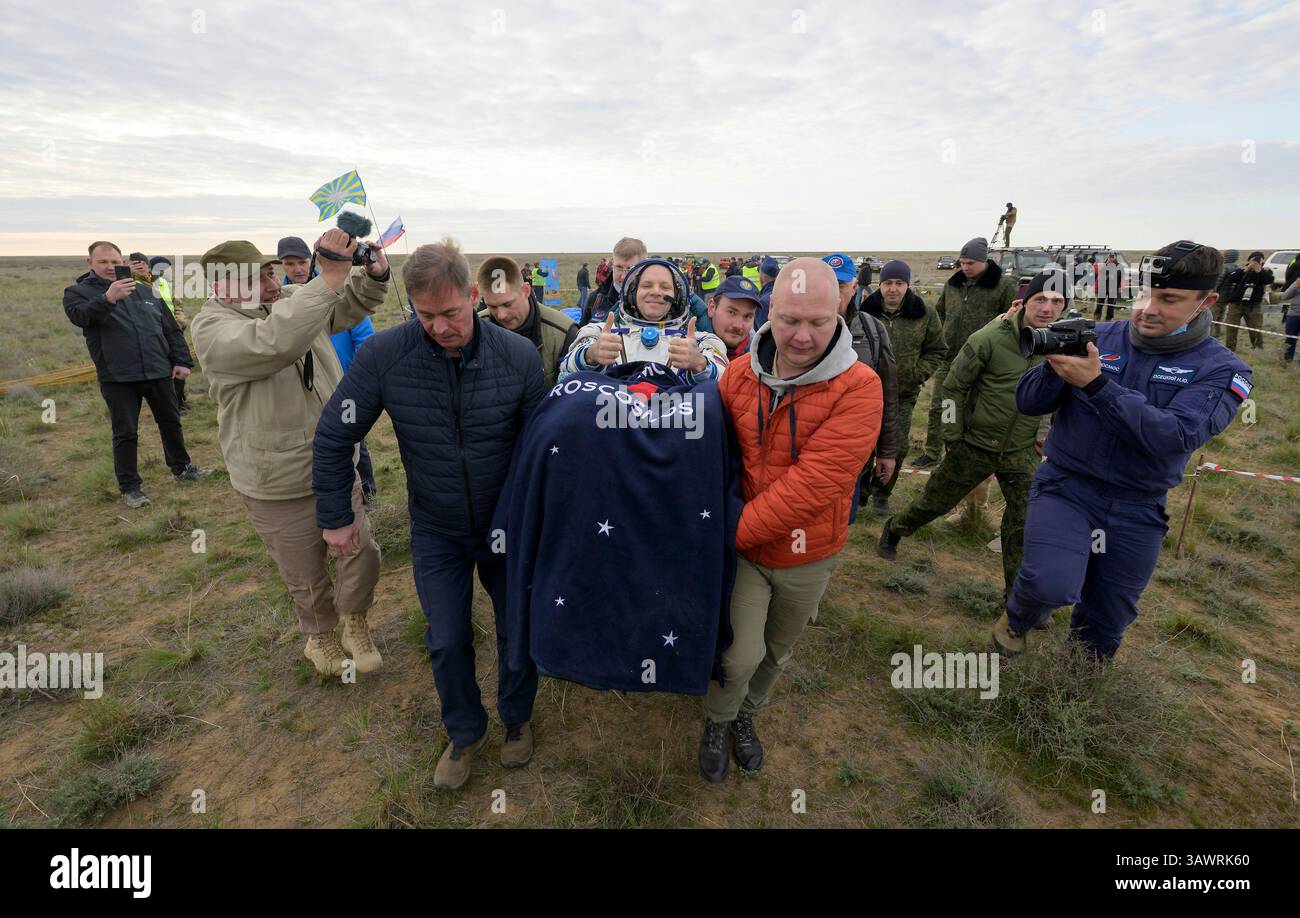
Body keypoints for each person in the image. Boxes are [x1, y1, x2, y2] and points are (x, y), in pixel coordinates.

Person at [312, 238, 544, 791]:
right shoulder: (384, 356)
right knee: (445, 637)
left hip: (505, 526)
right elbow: (334, 433)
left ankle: (517, 718)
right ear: (408, 306)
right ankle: (465, 733)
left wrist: (538, 520)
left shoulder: (518, 357)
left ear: (473, 295)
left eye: (451, 313)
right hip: (437, 527)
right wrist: (335, 515)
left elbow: (542, 451)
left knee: (517, 627)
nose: (440, 326)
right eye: (426, 315)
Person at [994, 241, 1253, 659]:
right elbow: (1028, 403)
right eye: (1143, 293)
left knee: (1105, 620)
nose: (1148, 308)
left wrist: (1096, 385)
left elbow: (1175, 436)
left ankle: (1076, 694)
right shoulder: (1101, 335)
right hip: (1067, 487)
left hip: (1137, 505)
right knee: (1050, 583)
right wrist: (1056, 366)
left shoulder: (1222, 369)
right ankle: (1017, 621)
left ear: (1206, 302)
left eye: (1168, 299)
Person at [699, 258, 882, 781]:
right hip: (747, 552)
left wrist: (723, 532)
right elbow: (708, 453)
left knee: (776, 653)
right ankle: (717, 719)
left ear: (840, 311)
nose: (802, 336)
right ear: (770, 313)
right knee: (738, 655)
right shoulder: (737, 374)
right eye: (789, 320)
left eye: (818, 322)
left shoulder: (860, 387)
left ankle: (745, 717)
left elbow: (815, 486)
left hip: (808, 551)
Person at [189, 233, 387, 676]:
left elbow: (348, 304)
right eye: (258, 275)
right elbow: (276, 341)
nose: (273, 280)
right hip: (274, 478)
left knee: (361, 551)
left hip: (334, 463)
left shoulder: (292, 300)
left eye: (270, 270)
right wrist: (328, 278)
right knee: (306, 572)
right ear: (222, 285)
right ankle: (321, 638)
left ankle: (355, 620)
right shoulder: (212, 329)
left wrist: (373, 271)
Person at [879, 269, 1071, 596]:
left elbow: (1063, 397)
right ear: (1025, 302)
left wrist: (1046, 434)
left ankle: (1017, 600)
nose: (1048, 308)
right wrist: (953, 437)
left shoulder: (1063, 346)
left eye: (1057, 302)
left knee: (1021, 526)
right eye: (1041, 299)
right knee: (933, 504)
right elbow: (953, 389)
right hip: (974, 445)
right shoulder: (990, 338)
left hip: (1021, 453)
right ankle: (895, 528)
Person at [63, 241, 210, 509]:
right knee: (126, 432)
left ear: (123, 261)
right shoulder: (77, 292)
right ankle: (130, 487)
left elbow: (170, 328)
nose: (110, 267)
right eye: (103, 262)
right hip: (118, 376)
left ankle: (182, 468)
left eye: (115, 262)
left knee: (171, 421)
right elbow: (80, 317)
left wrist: (181, 360)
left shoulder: (145, 290)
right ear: (90, 263)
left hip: (157, 369)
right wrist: (109, 298)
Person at [915, 236, 1017, 468]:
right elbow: (940, 311)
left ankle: (962, 455)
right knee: (941, 406)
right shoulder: (954, 283)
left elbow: (1012, 321)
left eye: (970, 263)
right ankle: (932, 452)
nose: (965, 268)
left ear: (984, 261)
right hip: (949, 358)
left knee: (973, 410)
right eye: (962, 263)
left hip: (984, 360)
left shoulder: (1003, 285)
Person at [861, 260, 947, 515]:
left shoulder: (924, 313)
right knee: (863, 445)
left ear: (907, 285)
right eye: (888, 283)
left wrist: (918, 374)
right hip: (865, 393)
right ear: (880, 284)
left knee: (896, 447)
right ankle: (860, 493)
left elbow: (938, 349)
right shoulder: (865, 312)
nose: (893, 289)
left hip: (903, 394)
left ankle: (881, 493)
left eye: (899, 283)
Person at [560, 258, 728, 383]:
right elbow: (566, 369)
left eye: (665, 287)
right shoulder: (599, 333)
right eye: (647, 286)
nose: (656, 292)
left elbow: (725, 378)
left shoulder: (701, 341)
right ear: (632, 293)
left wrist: (700, 365)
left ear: (679, 297)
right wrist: (590, 356)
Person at [824, 253, 899, 520]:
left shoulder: (872, 331)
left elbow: (888, 394)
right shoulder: (795, 330)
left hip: (854, 451)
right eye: (827, 286)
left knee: (844, 516)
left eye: (840, 287)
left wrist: (887, 452)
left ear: (854, 288)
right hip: (808, 447)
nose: (833, 295)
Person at [477, 255, 577, 388]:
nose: (501, 315)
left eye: (508, 304)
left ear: (526, 290)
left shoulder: (564, 333)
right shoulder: (474, 328)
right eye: (492, 306)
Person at [581, 237, 645, 325]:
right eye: (619, 267)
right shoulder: (595, 299)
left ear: (642, 269)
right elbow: (581, 333)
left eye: (630, 269)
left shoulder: (652, 302)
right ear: (612, 266)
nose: (623, 276)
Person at [1220, 251, 1273, 351]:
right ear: (1249, 260)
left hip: (1253, 305)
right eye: (1253, 260)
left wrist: (1259, 270)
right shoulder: (1241, 270)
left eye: (1259, 260)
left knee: (1255, 329)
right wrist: (1246, 269)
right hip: (1236, 304)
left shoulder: (1265, 271)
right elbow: (1231, 278)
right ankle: (1230, 350)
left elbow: (1269, 280)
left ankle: (1257, 350)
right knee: (1231, 328)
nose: (1255, 262)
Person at [705, 274, 763, 359]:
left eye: (747, 316)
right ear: (712, 308)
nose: (738, 325)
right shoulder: (686, 345)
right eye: (731, 312)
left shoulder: (762, 360)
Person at [1095, 253, 1122, 321]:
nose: (1111, 258)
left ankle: (1109, 318)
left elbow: (1121, 277)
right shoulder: (1104, 264)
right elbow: (1100, 272)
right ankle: (1097, 315)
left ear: (1115, 257)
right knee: (1100, 303)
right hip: (1103, 286)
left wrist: (1119, 287)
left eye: (1113, 257)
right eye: (1110, 257)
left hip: (1113, 287)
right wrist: (1106, 264)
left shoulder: (1119, 266)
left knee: (1111, 304)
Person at [1280, 278, 1300, 362]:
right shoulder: (1297, 283)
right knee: (1290, 339)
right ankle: (1287, 360)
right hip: (1294, 315)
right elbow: (1285, 296)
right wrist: (1295, 285)